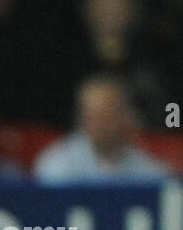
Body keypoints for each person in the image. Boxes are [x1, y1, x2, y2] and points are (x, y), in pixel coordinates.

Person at [33, 75, 168, 184]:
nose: (98, 124)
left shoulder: (142, 164)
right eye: (92, 115)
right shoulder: (57, 164)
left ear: (125, 117)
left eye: (107, 115)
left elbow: (164, 187)